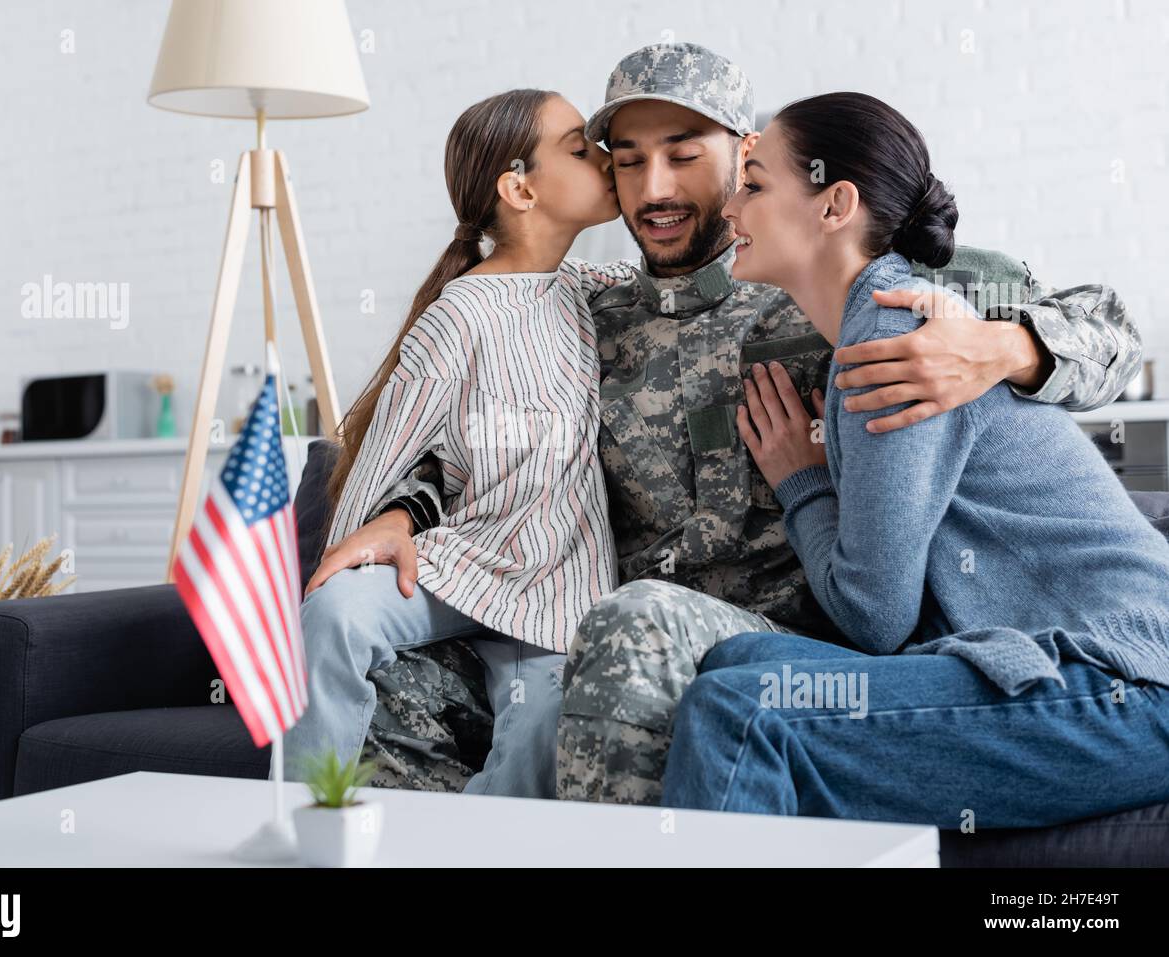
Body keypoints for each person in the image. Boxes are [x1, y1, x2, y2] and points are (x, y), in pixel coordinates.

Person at [313, 43, 1144, 801]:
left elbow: (1111, 325)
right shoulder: (580, 312)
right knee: (397, 689)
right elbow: (477, 429)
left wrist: (1006, 346)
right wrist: (404, 510)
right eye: (629, 163)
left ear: (745, 156)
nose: (656, 189)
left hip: (798, 649)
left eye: (685, 155)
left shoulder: (836, 282)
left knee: (631, 630)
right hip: (606, 643)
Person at [658, 91, 1169, 825]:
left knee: (742, 710)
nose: (729, 207)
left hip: (1123, 679)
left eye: (756, 184)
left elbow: (874, 616)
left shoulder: (894, 334)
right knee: (735, 666)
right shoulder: (878, 318)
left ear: (834, 205)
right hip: (1069, 670)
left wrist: (802, 486)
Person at [283, 88, 634, 799]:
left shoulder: (595, 292)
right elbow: (382, 458)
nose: (604, 157)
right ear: (519, 187)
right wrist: (364, 538)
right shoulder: (460, 316)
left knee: (540, 732)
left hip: (565, 590)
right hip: (462, 563)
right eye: (578, 146)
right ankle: (305, 818)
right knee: (333, 615)